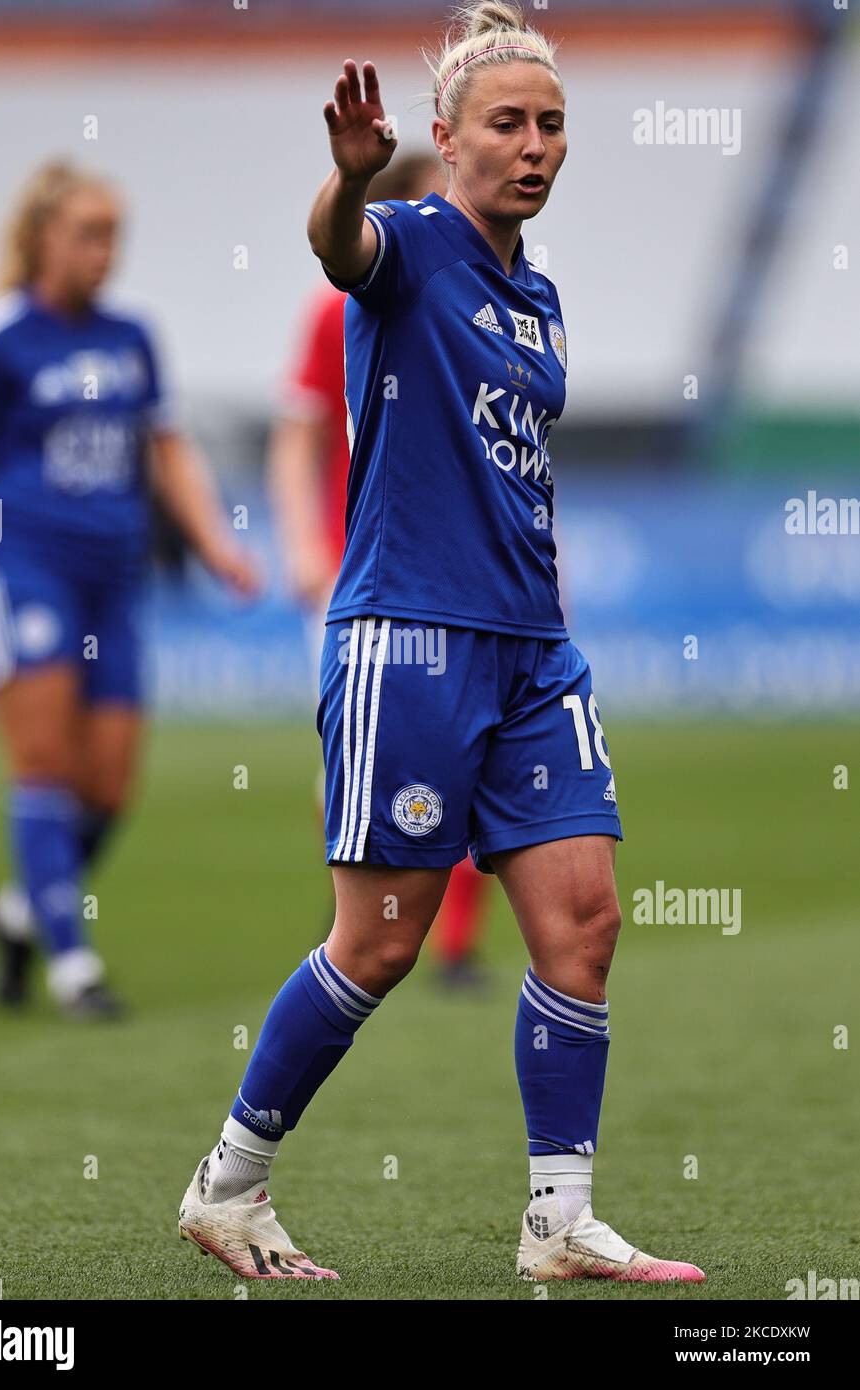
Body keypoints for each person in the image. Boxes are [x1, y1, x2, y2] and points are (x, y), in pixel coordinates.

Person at [178, 1, 704, 1284]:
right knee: (382, 942)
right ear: (445, 138)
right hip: (409, 637)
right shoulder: (406, 240)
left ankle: (558, 1221)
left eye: (551, 124)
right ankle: (228, 1184)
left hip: (534, 649)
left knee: (582, 921)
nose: (534, 145)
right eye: (507, 123)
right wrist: (349, 179)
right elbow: (336, 245)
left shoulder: (540, 297)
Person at [0, 161, 258, 1019]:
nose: (105, 251)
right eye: (89, 232)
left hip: (116, 582)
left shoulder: (130, 337)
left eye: (114, 234)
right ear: (42, 237)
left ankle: (17, 910)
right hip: (27, 572)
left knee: (107, 787)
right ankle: (74, 965)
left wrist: (217, 544)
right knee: (43, 764)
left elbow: (167, 448)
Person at [269, 149, 492, 985]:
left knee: (474, 751)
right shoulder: (341, 310)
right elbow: (299, 436)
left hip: (465, 577)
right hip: (359, 573)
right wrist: (300, 545)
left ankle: (454, 940)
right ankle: (370, 919)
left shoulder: (487, 311)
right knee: (374, 758)